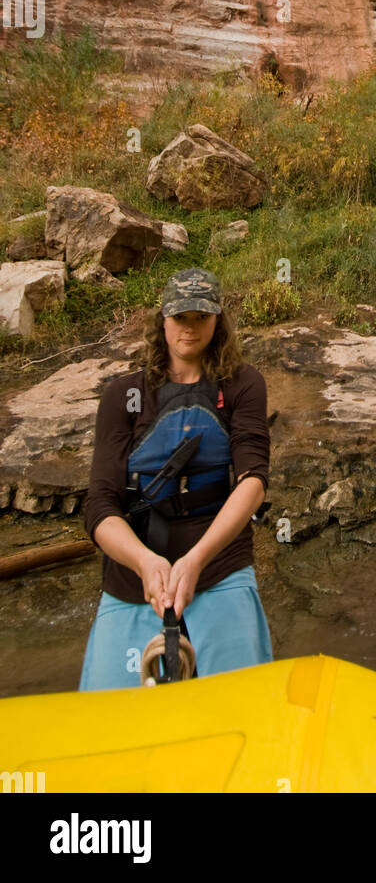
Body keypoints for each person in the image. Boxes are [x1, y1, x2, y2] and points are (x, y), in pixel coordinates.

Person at [78, 267, 272, 690]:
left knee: (241, 703)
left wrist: (198, 559)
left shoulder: (243, 385)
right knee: (110, 718)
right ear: (162, 320)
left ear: (217, 320)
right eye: (180, 317)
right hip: (134, 573)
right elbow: (100, 505)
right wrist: (145, 563)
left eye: (200, 317)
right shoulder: (123, 396)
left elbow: (253, 479)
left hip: (219, 563)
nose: (189, 327)